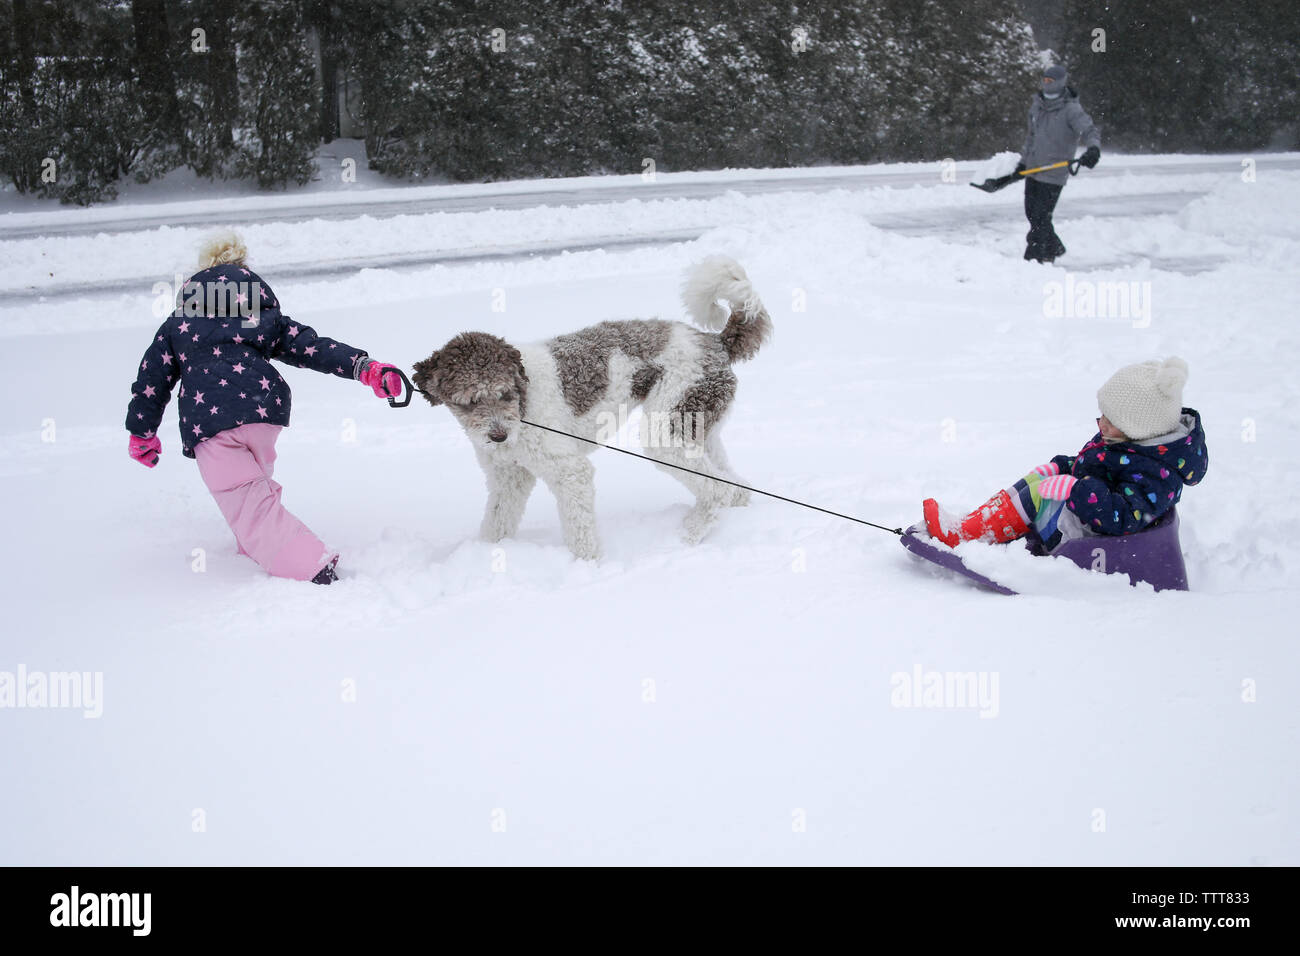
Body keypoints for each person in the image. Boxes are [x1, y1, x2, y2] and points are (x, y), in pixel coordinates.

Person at [125, 232, 404, 584]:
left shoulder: (178, 324)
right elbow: (311, 346)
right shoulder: (261, 316)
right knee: (254, 491)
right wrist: (365, 368)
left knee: (245, 501)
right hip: (264, 409)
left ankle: (314, 568)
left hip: (211, 419)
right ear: (244, 273)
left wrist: (142, 432)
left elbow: (151, 381)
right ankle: (256, 546)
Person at [922, 358, 1207, 553]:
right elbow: (1099, 468)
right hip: (1088, 513)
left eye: (1112, 419)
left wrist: (1076, 489)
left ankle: (965, 536)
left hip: (1100, 537)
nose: (1102, 423)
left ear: (1141, 428)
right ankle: (974, 524)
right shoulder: (1128, 439)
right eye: (1103, 414)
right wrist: (1064, 468)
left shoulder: (1156, 471)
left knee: (1039, 495)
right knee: (1040, 479)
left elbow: (1123, 517)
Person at [1018, 63, 1101, 263]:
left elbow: (1089, 131)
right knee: (1032, 213)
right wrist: (1023, 162)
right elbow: (1031, 137)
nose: (1046, 84)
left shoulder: (1071, 110)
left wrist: (1093, 149)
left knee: (1040, 216)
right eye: (1044, 80)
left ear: (1061, 83)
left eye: (1050, 81)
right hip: (1034, 168)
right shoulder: (1037, 106)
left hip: (1054, 171)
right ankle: (1054, 247)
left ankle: (1036, 256)